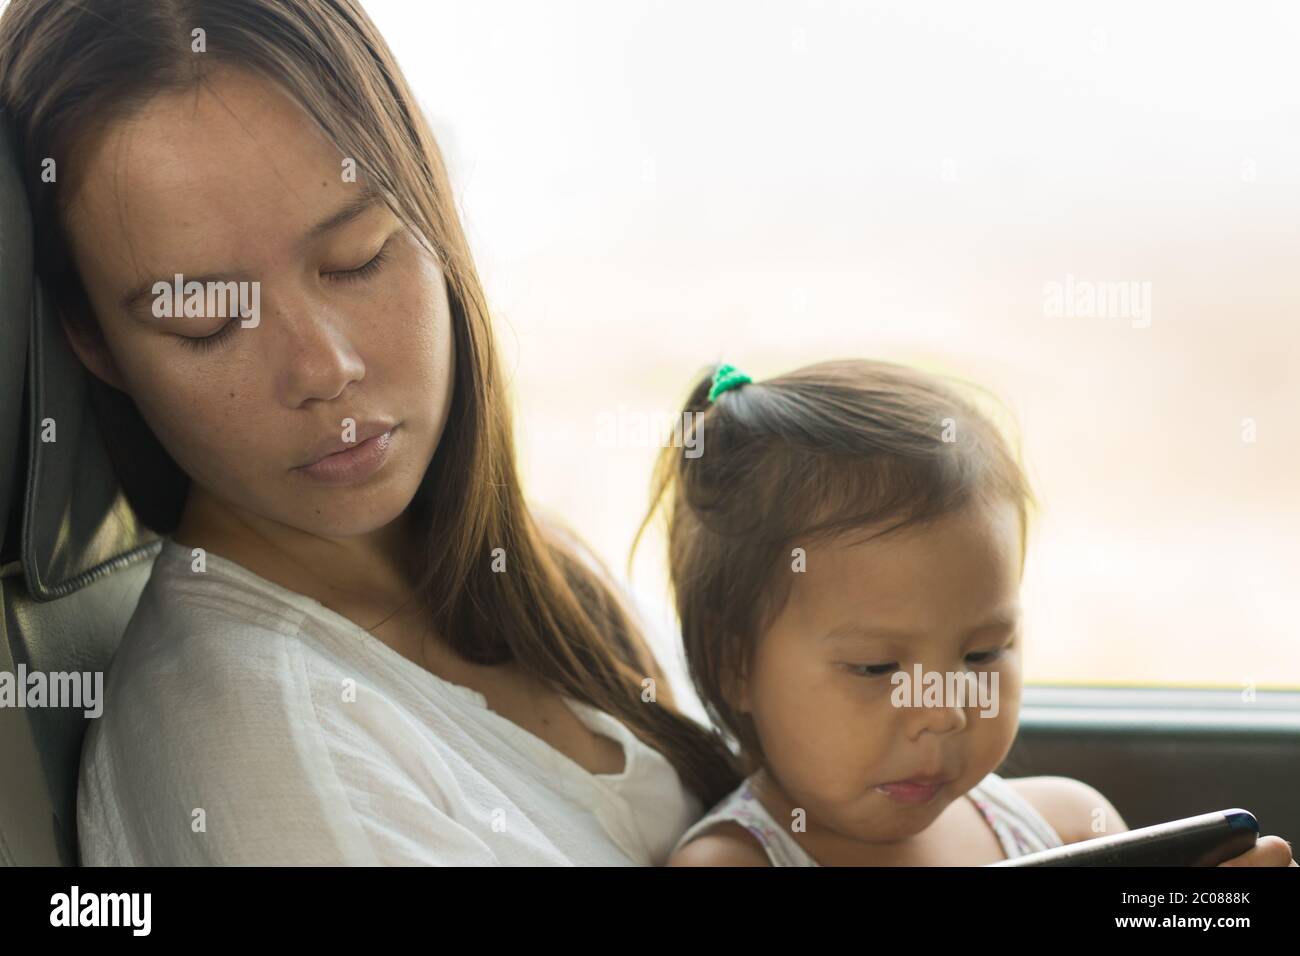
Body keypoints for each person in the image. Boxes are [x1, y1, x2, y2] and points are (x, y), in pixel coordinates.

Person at [0, 0, 741, 865]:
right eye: (205, 320)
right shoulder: (268, 751)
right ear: (93, 344)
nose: (323, 367)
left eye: (358, 259)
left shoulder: (544, 572)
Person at [637, 360, 1297, 867]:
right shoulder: (732, 863)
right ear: (736, 666)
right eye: (877, 666)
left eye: (983, 654)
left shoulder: (1064, 827)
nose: (946, 708)